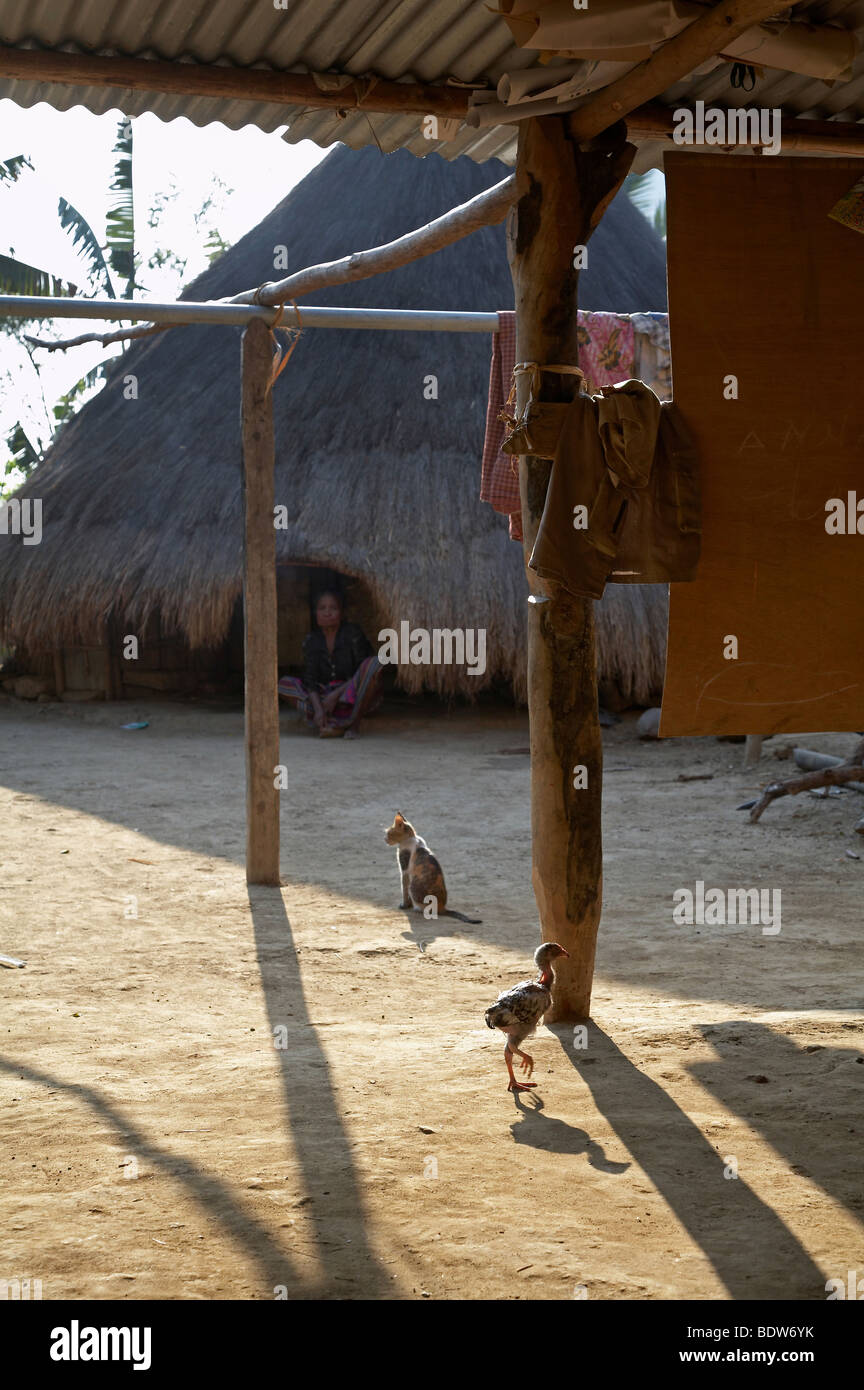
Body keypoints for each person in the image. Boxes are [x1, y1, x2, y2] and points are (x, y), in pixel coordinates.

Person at [278, 589, 382, 738]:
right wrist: (319, 709)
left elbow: (363, 671)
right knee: (284, 684)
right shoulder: (311, 640)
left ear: (341, 613)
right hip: (325, 698)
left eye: (333, 608)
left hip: (353, 696)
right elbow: (310, 680)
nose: (327, 613)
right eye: (322, 608)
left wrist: (335, 695)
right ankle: (330, 721)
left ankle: (353, 724)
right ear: (316, 613)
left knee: (373, 663)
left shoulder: (353, 633)